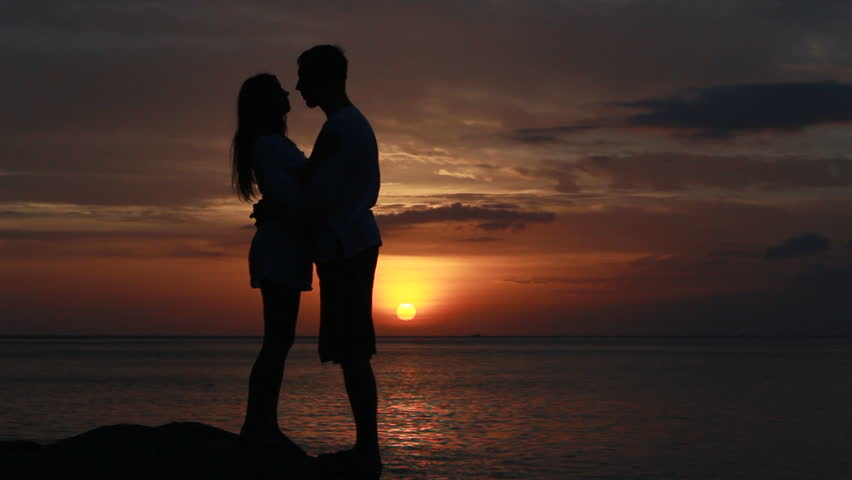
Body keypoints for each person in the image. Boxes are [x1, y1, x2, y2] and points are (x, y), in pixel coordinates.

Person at [253, 44, 383, 479]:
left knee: (353, 351)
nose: (298, 86)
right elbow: (318, 190)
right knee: (351, 350)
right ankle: (366, 449)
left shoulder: (343, 129)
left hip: (347, 247)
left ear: (325, 78)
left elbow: (319, 197)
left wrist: (278, 208)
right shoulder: (345, 127)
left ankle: (367, 451)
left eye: (304, 77)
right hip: (345, 246)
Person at [231, 73, 312, 455]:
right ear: (267, 103)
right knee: (277, 341)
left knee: (279, 341)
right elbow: (290, 194)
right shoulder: (270, 145)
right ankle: (260, 424)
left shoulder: (271, 144)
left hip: (285, 244)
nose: (287, 93)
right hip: (281, 246)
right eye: (278, 90)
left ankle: (262, 422)